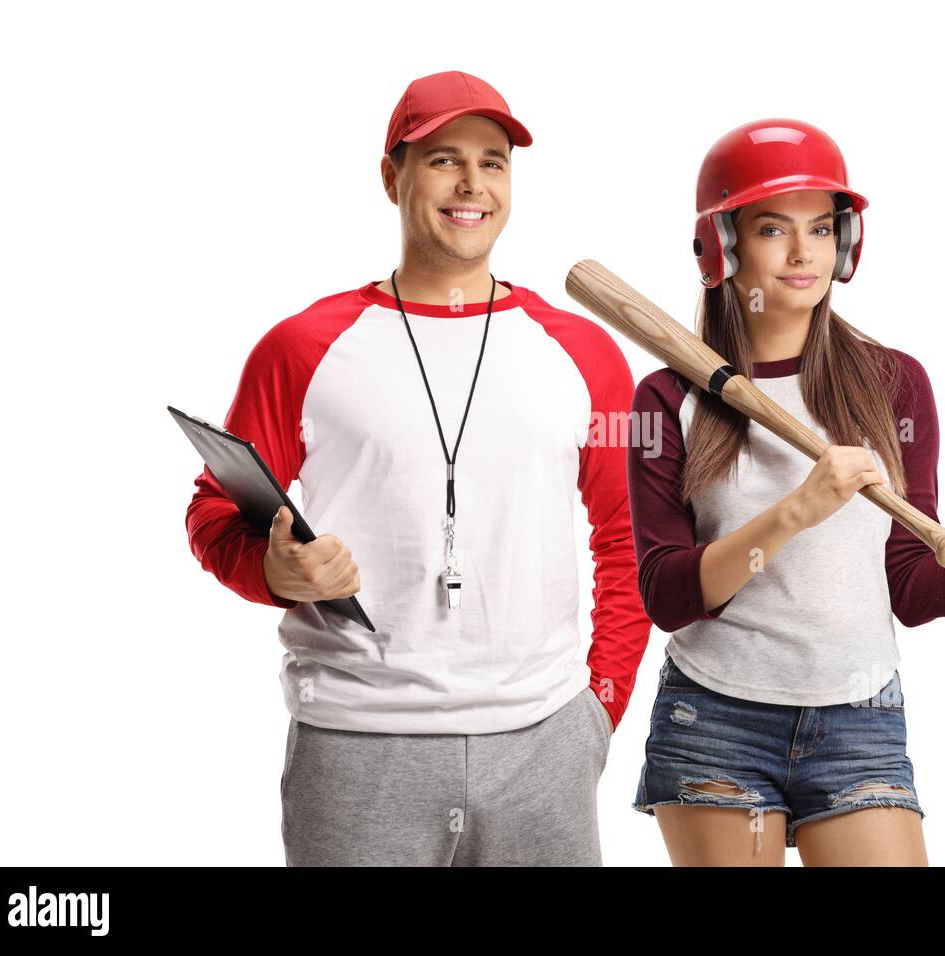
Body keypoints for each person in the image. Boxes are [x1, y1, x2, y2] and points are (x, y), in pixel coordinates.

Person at [184, 70, 652, 866]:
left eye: (494, 161)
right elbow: (213, 511)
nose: (473, 183)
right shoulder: (302, 346)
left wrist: (599, 710)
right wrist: (273, 571)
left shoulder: (584, 352)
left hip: (541, 742)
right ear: (391, 175)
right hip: (356, 746)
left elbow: (630, 538)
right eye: (443, 159)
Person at [626, 118, 945, 866]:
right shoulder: (667, 399)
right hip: (716, 717)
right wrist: (795, 513)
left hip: (860, 717)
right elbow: (667, 594)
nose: (803, 253)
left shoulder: (893, 384)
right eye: (771, 228)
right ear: (722, 247)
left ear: (845, 243)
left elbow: (917, 592)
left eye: (821, 229)